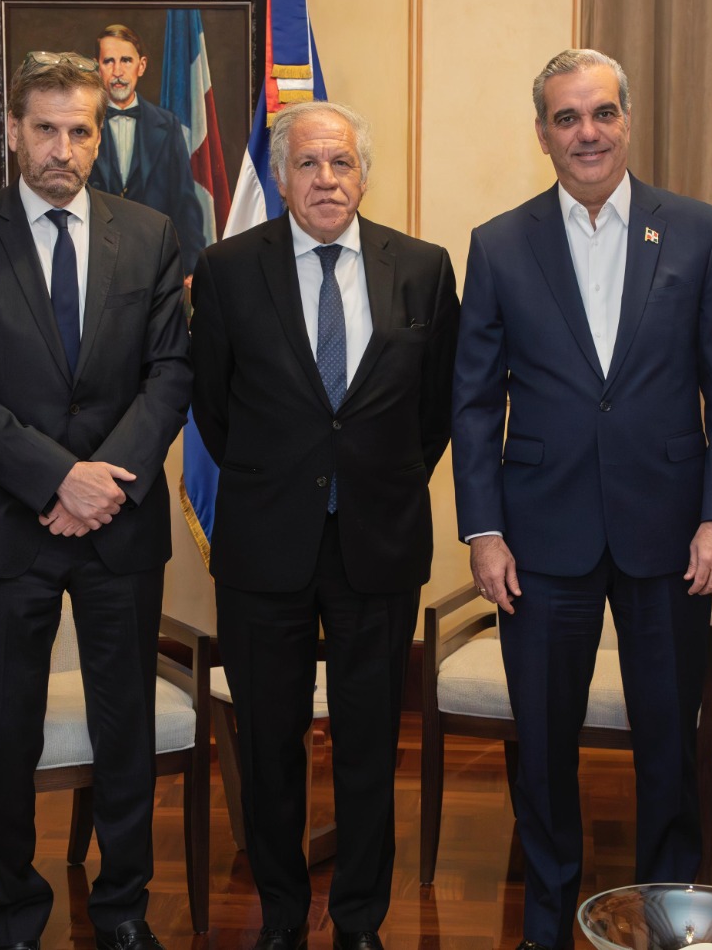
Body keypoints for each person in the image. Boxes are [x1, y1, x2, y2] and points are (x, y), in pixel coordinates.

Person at [451, 49, 712, 949]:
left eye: (602, 114)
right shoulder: (500, 243)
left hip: (673, 531)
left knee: (669, 741)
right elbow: (472, 400)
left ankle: (668, 917)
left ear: (628, 119)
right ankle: (548, 915)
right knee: (542, 745)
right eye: (566, 118)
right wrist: (484, 529)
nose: (587, 132)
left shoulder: (697, 230)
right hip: (540, 536)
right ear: (542, 133)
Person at [0, 52, 191, 950]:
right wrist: (54, 479)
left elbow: (171, 373)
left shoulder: (149, 235)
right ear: (13, 132)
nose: (62, 148)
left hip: (119, 524)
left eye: (79, 130)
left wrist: (100, 482)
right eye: (44, 128)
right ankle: (14, 915)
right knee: (5, 736)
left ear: (96, 133)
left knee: (125, 734)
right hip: (7, 527)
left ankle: (121, 913)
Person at [190, 100, 458, 950]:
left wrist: (371, 480)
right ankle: (278, 918)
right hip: (265, 542)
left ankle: (359, 921)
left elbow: (435, 409)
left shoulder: (420, 267)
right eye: (308, 164)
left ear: (363, 174)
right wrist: (287, 482)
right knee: (271, 743)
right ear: (281, 176)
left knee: (370, 744)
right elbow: (213, 408)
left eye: (341, 163)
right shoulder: (229, 269)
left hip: (377, 541)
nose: (326, 179)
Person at [90, 24, 208, 278]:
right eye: (109, 61)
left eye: (126, 60)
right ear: (96, 66)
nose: (118, 71)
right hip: (94, 261)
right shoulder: (83, 124)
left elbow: (184, 201)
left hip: (154, 262)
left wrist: (192, 268)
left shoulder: (167, 124)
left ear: (141, 66)